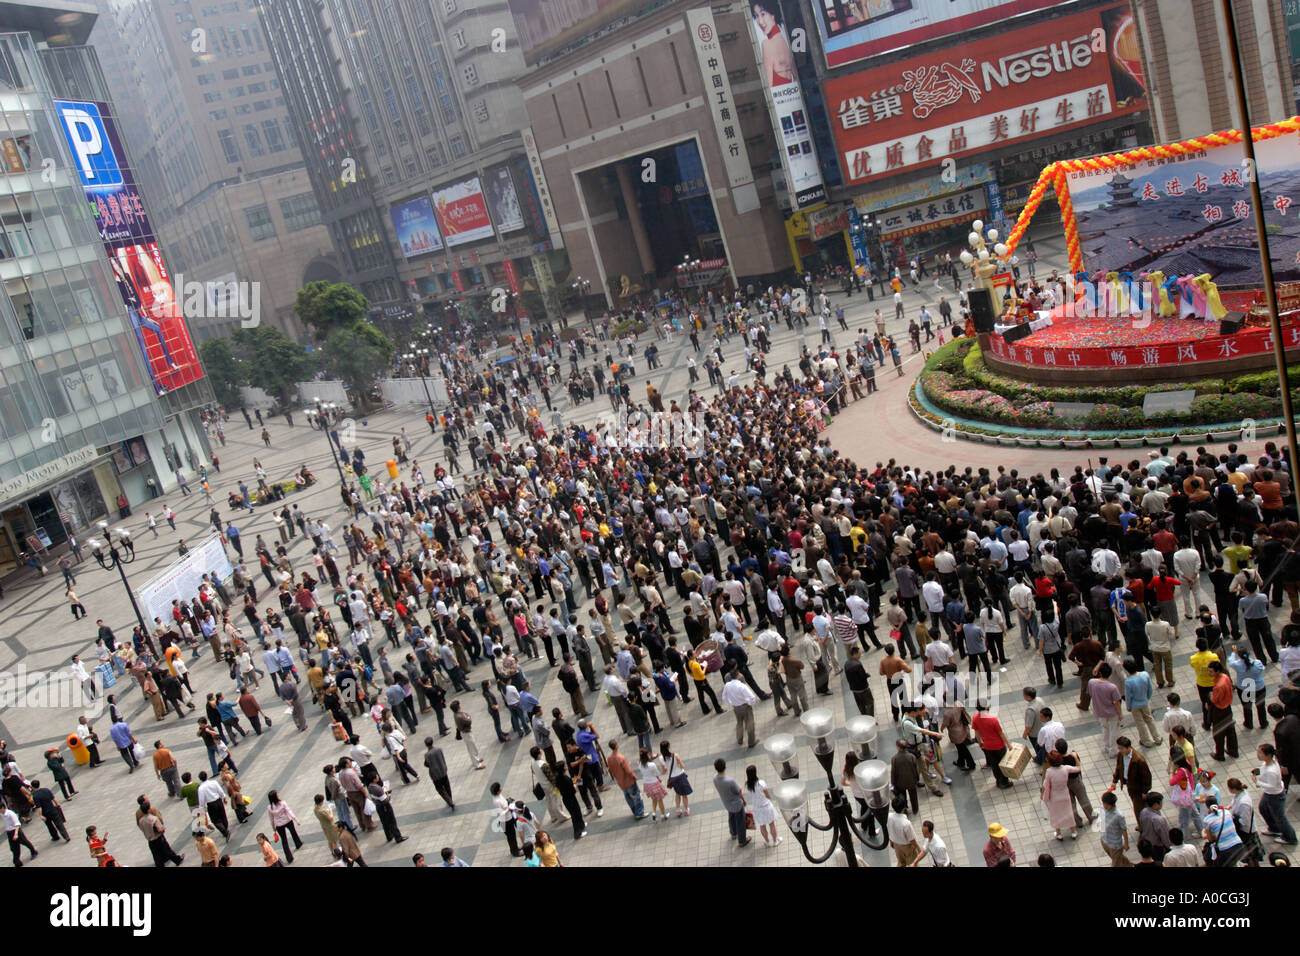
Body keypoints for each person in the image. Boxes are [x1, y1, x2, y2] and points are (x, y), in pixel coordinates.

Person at [1041, 751, 1082, 840]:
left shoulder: (1049, 771)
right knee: (1068, 812)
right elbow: (1078, 768)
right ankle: (1073, 832)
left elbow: (1045, 784)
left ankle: (1059, 833)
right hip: (1065, 794)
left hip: (1054, 796)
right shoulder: (1065, 768)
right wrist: (1075, 757)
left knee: (1056, 814)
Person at [971, 703, 1014, 789]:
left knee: (995, 764)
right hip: (999, 746)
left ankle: (998, 780)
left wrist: (980, 742)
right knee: (1003, 763)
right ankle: (1004, 782)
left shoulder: (975, 718)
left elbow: (976, 732)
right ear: (986, 707)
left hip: (988, 746)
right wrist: (1008, 744)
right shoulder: (993, 720)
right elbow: (1001, 733)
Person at [1112, 736, 1152, 823]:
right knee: (1139, 807)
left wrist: (1145, 791)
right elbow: (1119, 768)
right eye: (1119, 748)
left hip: (1138, 789)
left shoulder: (1138, 759)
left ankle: (1143, 827)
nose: (1120, 750)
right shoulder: (1121, 755)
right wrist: (1115, 781)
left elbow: (1147, 777)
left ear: (1128, 747)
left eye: (1121, 748)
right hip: (1130, 786)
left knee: (1139, 809)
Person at [713, 758, 750, 847]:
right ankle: (742, 840)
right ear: (725, 767)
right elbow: (739, 791)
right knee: (740, 822)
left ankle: (733, 834)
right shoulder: (730, 781)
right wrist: (743, 800)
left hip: (727, 803)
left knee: (731, 818)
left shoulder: (715, 778)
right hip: (737, 804)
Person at [266, 790, 303, 862]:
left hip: (279, 825)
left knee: (284, 840)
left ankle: (289, 857)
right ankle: (298, 844)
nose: (278, 795)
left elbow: (271, 818)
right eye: (277, 794)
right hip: (287, 821)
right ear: (275, 797)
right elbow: (289, 811)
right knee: (293, 832)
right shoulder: (282, 803)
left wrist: (273, 827)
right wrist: (295, 819)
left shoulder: (269, 807)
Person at [1098, 791, 1132, 866]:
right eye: (1104, 804)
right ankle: (1128, 864)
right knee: (1117, 858)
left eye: (1107, 805)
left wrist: (1126, 843)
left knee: (1115, 863)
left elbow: (1124, 829)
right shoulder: (1102, 808)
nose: (1105, 806)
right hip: (1104, 840)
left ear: (1112, 804)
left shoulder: (1119, 815)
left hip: (1115, 844)